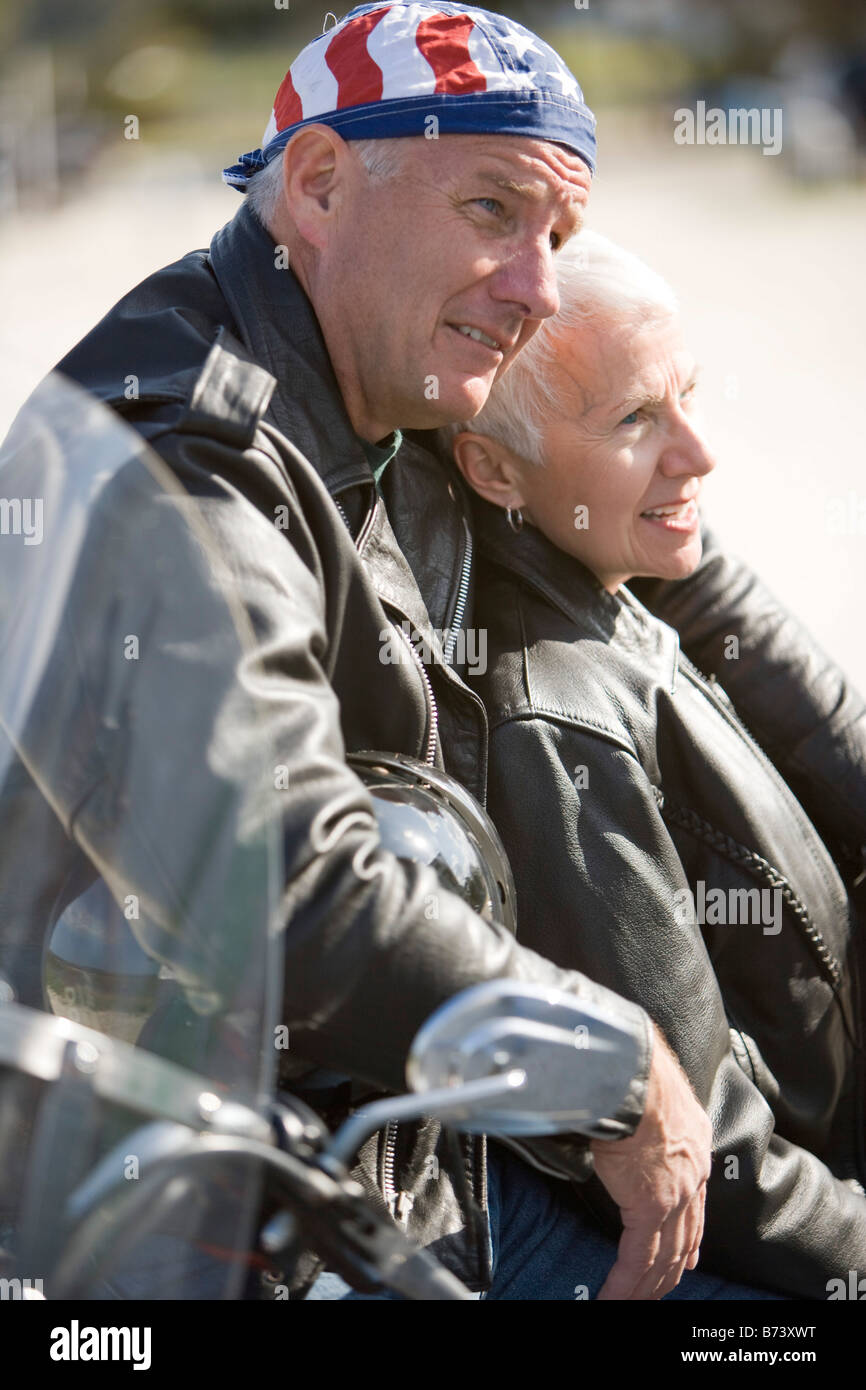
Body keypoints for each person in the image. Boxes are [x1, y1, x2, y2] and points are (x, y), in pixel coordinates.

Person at [10, 2, 816, 1299]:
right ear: (321, 185)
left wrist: (693, 547)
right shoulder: (194, 456)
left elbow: (635, 515)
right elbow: (278, 877)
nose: (539, 288)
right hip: (223, 1203)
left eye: (555, 235)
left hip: (379, 1131)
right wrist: (610, 1065)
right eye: (492, 212)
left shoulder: (369, 371)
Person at [445, 228, 866, 1299]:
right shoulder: (553, 727)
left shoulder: (602, 564)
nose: (698, 451)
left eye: (685, 394)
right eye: (635, 418)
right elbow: (719, 1169)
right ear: (491, 466)